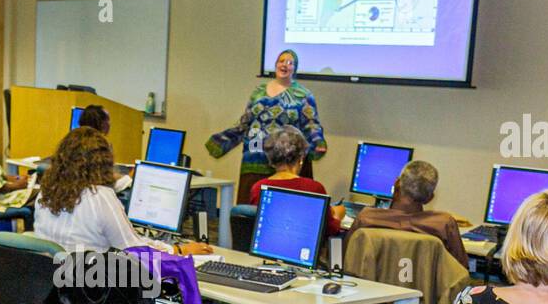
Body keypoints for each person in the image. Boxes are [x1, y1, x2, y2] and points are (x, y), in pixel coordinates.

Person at [35, 128, 211, 255]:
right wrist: (179, 249)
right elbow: (134, 249)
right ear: (102, 162)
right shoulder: (99, 197)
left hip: (52, 288)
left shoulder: (47, 191)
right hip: (88, 292)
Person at [207, 49, 327, 203]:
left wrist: (318, 143)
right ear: (276, 65)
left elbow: (311, 124)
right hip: (255, 153)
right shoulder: (258, 92)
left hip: (287, 155)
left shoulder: (303, 95)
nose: (285, 65)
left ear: (294, 69)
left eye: (290, 63)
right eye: (281, 61)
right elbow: (246, 121)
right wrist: (222, 140)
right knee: (250, 204)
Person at [351, 160, 468, 268]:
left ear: (396, 184)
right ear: (430, 198)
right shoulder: (444, 224)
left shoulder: (366, 218)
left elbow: (345, 259)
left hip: (373, 289)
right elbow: (460, 271)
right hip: (424, 290)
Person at [247, 126, 343, 237]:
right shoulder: (314, 188)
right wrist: (337, 215)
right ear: (301, 158)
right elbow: (329, 229)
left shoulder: (258, 187)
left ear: (270, 159)